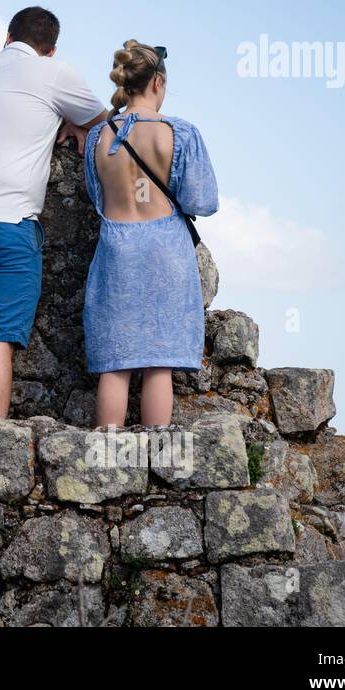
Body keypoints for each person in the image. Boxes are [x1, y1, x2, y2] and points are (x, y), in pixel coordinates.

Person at [0, 7, 108, 421]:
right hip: (3, 227)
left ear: (7, 38)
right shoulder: (55, 73)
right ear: (50, 51)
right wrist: (72, 120)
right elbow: (106, 125)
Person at [82, 40, 218, 427]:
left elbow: (97, 195)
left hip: (116, 251)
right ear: (158, 82)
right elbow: (202, 201)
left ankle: (108, 458)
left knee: (115, 363)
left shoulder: (99, 136)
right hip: (166, 253)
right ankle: (157, 459)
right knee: (159, 363)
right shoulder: (181, 133)